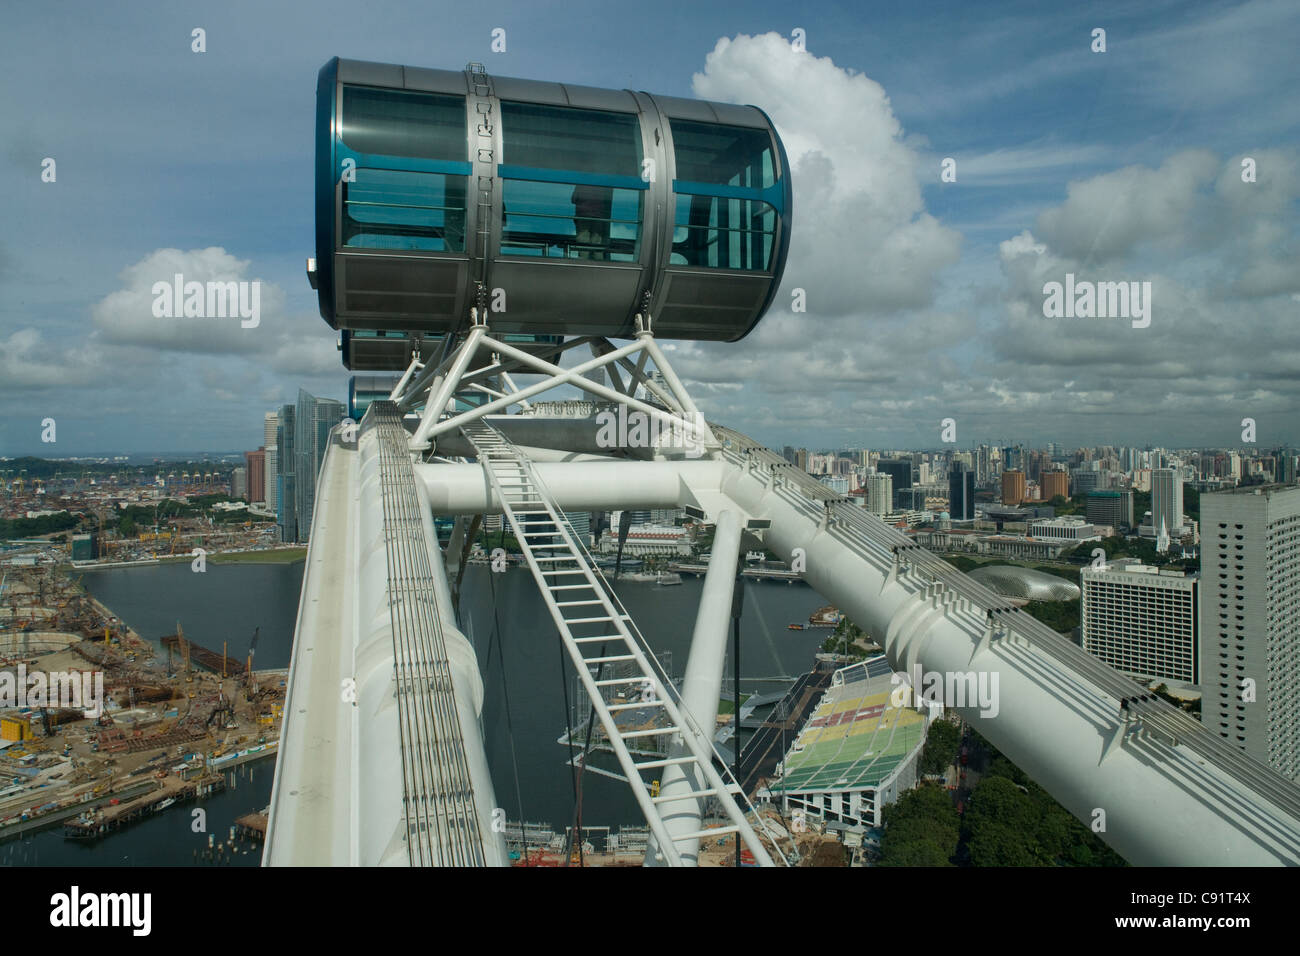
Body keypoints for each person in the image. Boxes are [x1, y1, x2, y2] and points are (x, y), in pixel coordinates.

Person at [570, 184, 612, 259]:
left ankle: (583, 262)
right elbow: (606, 200)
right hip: (598, 217)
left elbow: (573, 199)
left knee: (583, 241)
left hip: (583, 215)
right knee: (597, 242)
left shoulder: (581, 185)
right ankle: (598, 263)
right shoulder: (601, 186)